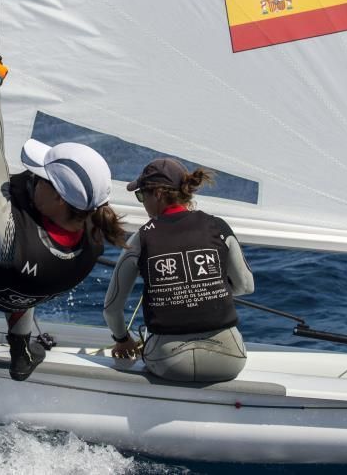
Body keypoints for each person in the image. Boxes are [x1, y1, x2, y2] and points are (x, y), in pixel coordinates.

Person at [0, 53, 126, 381]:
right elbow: (35, 218)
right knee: (24, 276)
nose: (31, 179)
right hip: (25, 288)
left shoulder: (2, 227)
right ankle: (21, 352)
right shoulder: (94, 236)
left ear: (59, 197)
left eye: (38, 177)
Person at [103, 158, 254, 382]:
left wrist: (123, 339)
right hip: (229, 359)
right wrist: (204, 289)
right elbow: (246, 286)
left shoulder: (142, 238)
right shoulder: (218, 226)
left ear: (158, 194)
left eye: (142, 195)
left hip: (169, 362)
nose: (142, 202)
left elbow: (111, 308)